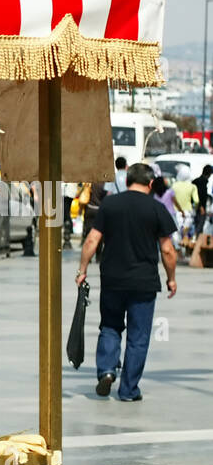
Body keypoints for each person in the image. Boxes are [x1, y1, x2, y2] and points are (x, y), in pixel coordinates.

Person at [76, 163, 177, 402]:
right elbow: (168, 250)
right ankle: (129, 390)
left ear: (128, 179)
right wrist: (171, 278)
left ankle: (107, 370)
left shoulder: (110, 204)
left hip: (112, 279)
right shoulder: (156, 208)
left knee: (110, 327)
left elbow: (92, 239)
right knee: (138, 337)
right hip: (144, 283)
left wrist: (82, 269)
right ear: (151, 183)